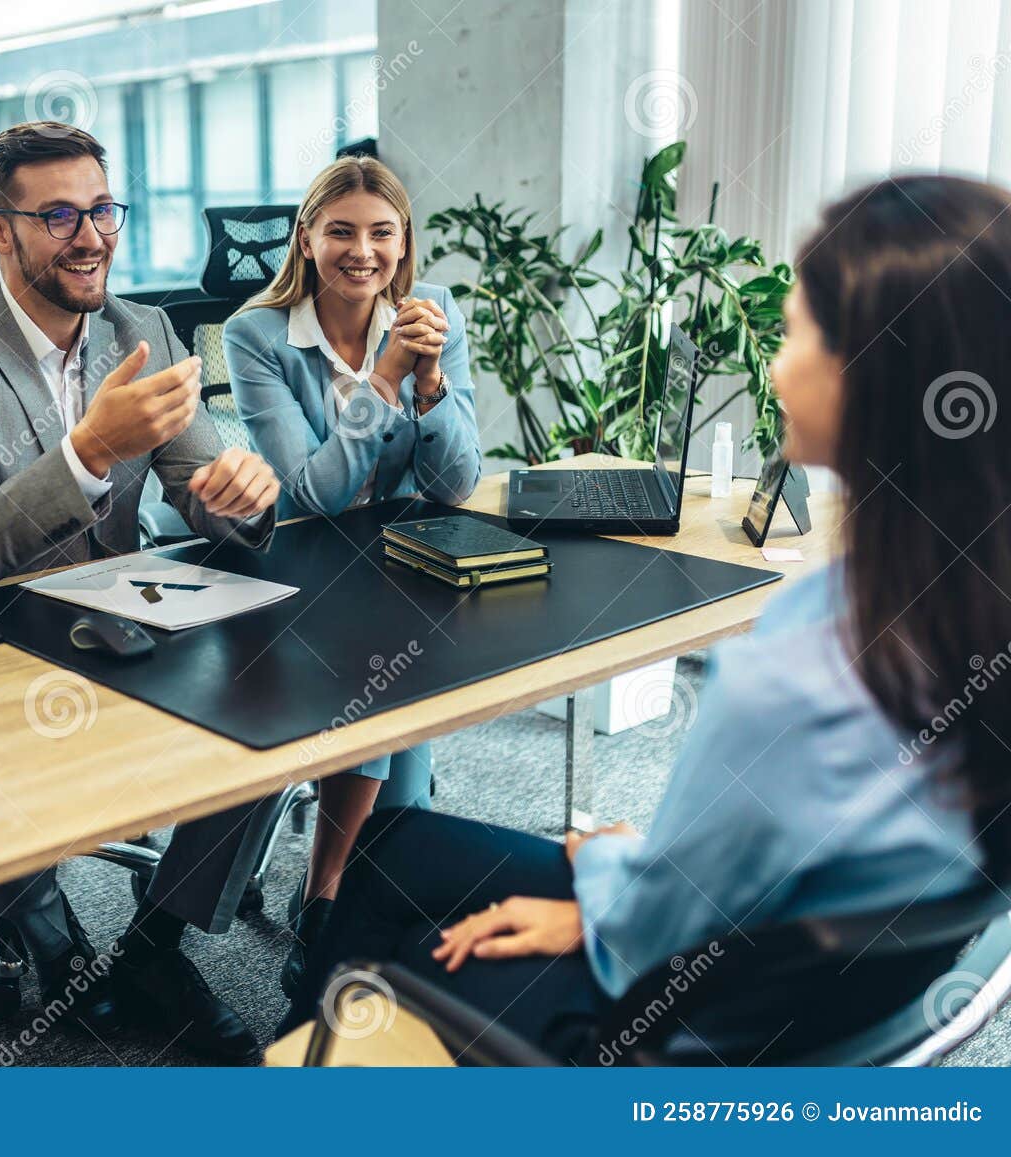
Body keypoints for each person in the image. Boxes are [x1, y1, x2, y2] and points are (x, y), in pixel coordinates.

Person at [278, 173, 1011, 1057]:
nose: (774, 364)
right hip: (794, 998)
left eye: (796, 331)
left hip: (652, 1028)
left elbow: (665, 917)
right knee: (394, 840)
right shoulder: (964, 606)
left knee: (399, 895)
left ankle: (314, 1072)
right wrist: (637, 867)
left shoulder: (798, 670)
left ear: (877, 376)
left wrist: (604, 871)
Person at [0, 123, 281, 1064]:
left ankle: (155, 943)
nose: (91, 234)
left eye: (102, 208)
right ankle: (51, 945)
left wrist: (242, 496)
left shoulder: (139, 331)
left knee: (283, 698)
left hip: (120, 610)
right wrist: (90, 448)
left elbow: (202, 480)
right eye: (57, 214)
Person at [222, 156, 481, 997]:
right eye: (341, 231)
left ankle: (341, 903)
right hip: (302, 574)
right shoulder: (258, 336)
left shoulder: (432, 315)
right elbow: (310, 494)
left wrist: (434, 381)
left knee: (400, 779)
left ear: (404, 245)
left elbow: (456, 484)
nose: (361, 251)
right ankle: (329, 900)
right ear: (307, 237)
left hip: (401, 569)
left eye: (381, 233)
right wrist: (381, 383)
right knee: (395, 746)